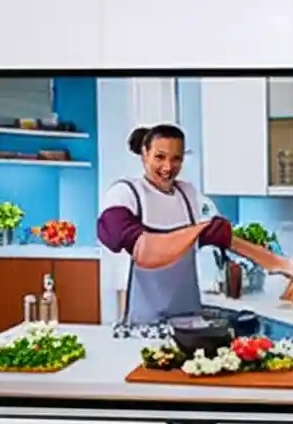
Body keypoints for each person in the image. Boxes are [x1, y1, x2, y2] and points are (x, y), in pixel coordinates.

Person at [97, 123, 233, 326]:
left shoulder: (187, 194)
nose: (168, 167)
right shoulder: (126, 193)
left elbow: (217, 235)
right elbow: (121, 240)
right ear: (144, 154)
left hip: (187, 319)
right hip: (142, 321)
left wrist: (276, 262)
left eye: (176, 158)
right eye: (159, 157)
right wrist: (202, 229)